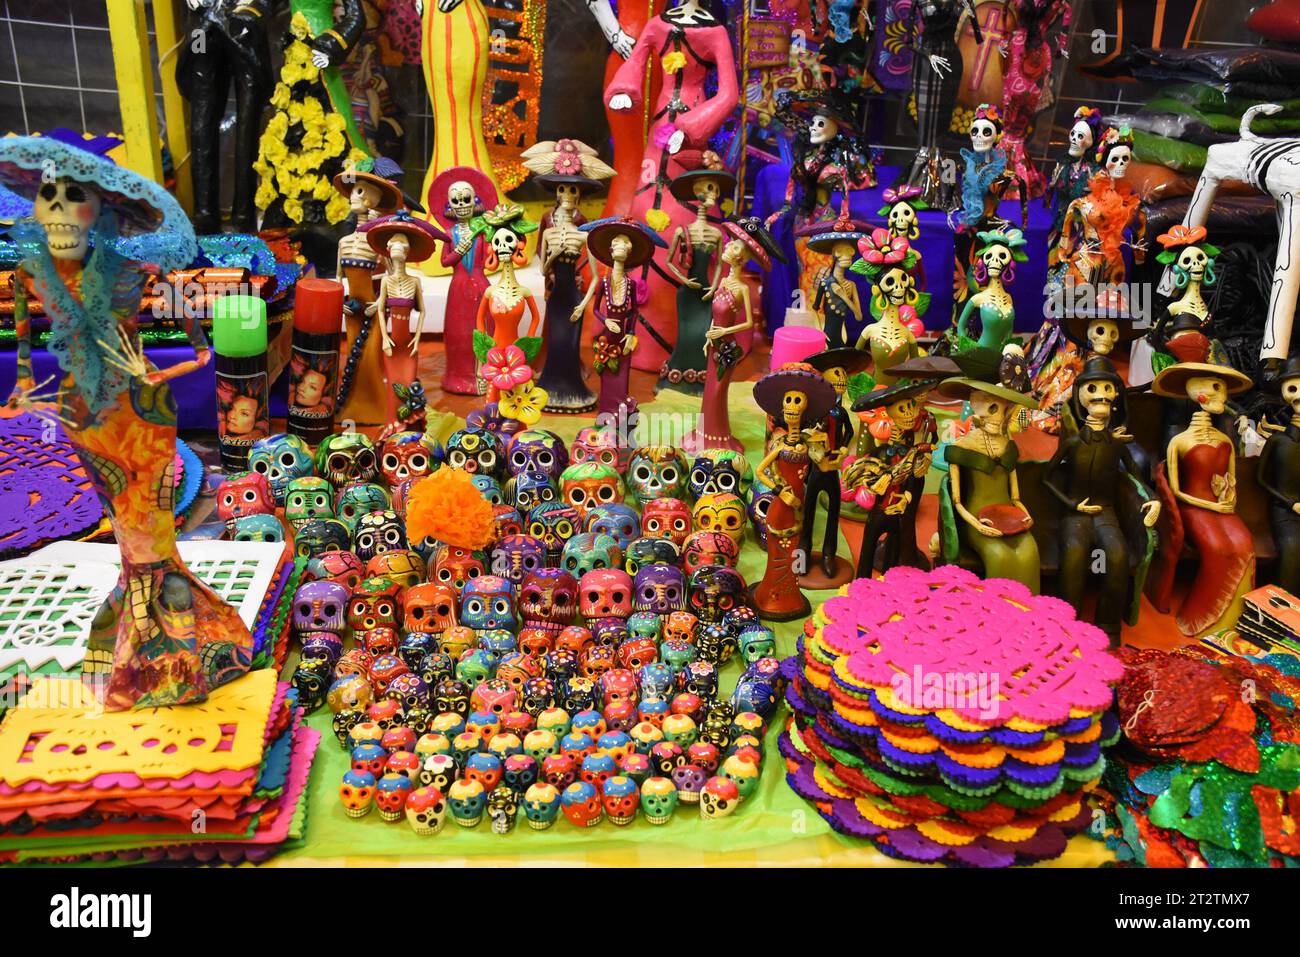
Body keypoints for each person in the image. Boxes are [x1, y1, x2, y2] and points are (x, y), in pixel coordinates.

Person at [0, 135, 253, 709]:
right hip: (79, 411)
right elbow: (21, 347)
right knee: (125, 534)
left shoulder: (136, 271)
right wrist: (21, 388)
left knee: (152, 534)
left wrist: (165, 372)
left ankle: (169, 648)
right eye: (49, 196)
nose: (60, 208)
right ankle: (150, 647)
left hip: (142, 413)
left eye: (74, 197)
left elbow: (201, 349)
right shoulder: (29, 274)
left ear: (103, 210)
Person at [1043, 356, 1159, 644]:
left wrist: (1153, 499)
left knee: (1117, 556)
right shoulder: (1072, 443)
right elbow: (1046, 477)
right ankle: (1066, 622)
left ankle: (1108, 625)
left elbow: (1136, 475)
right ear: (1083, 401)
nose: (1100, 407)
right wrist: (1072, 505)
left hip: (1106, 514)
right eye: (1094, 399)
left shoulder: (1117, 445)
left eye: (1106, 401)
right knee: (1074, 555)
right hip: (1076, 513)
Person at [939, 376, 1041, 593]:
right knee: (999, 555)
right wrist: (978, 525)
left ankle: (1029, 615)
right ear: (977, 407)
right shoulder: (961, 448)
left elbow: (1015, 497)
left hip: (1011, 517)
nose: (1000, 417)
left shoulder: (1009, 446)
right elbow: (957, 502)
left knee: (1029, 551)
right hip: (977, 519)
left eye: (1007, 410)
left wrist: (1026, 514)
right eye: (995, 408)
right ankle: (995, 615)